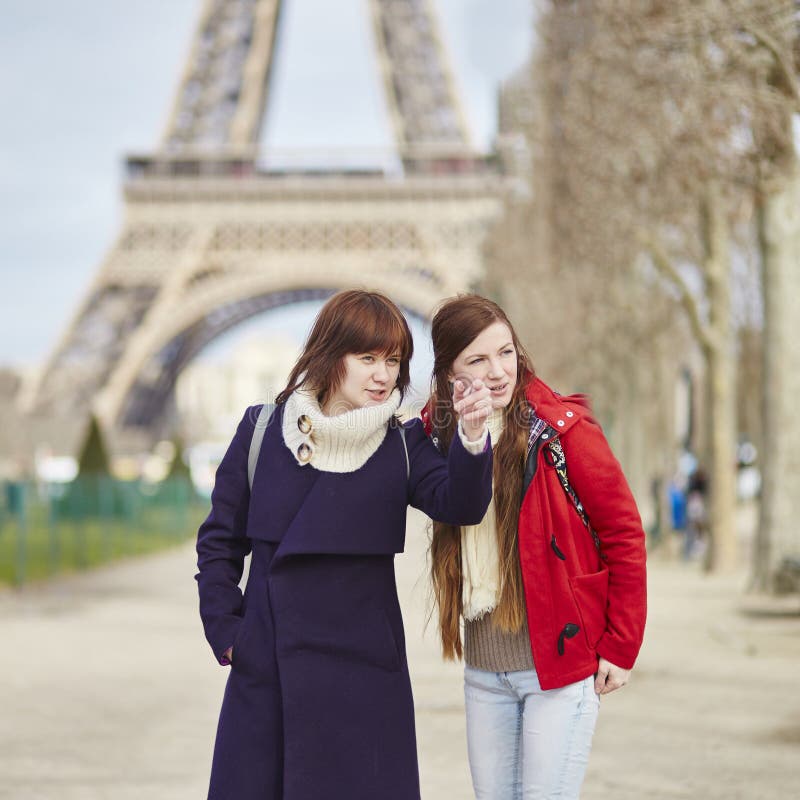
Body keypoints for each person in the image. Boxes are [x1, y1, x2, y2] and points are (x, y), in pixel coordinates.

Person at [195, 289, 495, 800]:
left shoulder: (402, 443)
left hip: (364, 679)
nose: (383, 375)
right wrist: (229, 633)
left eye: (394, 361)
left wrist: (471, 436)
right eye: (368, 358)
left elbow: (460, 504)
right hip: (269, 672)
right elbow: (219, 543)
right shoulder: (261, 430)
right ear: (332, 353)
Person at [423, 294, 647, 800]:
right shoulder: (435, 437)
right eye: (476, 360)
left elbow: (623, 533)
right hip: (484, 668)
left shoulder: (564, 431)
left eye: (505, 352)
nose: (498, 371)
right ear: (449, 373)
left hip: (560, 666)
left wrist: (621, 643)